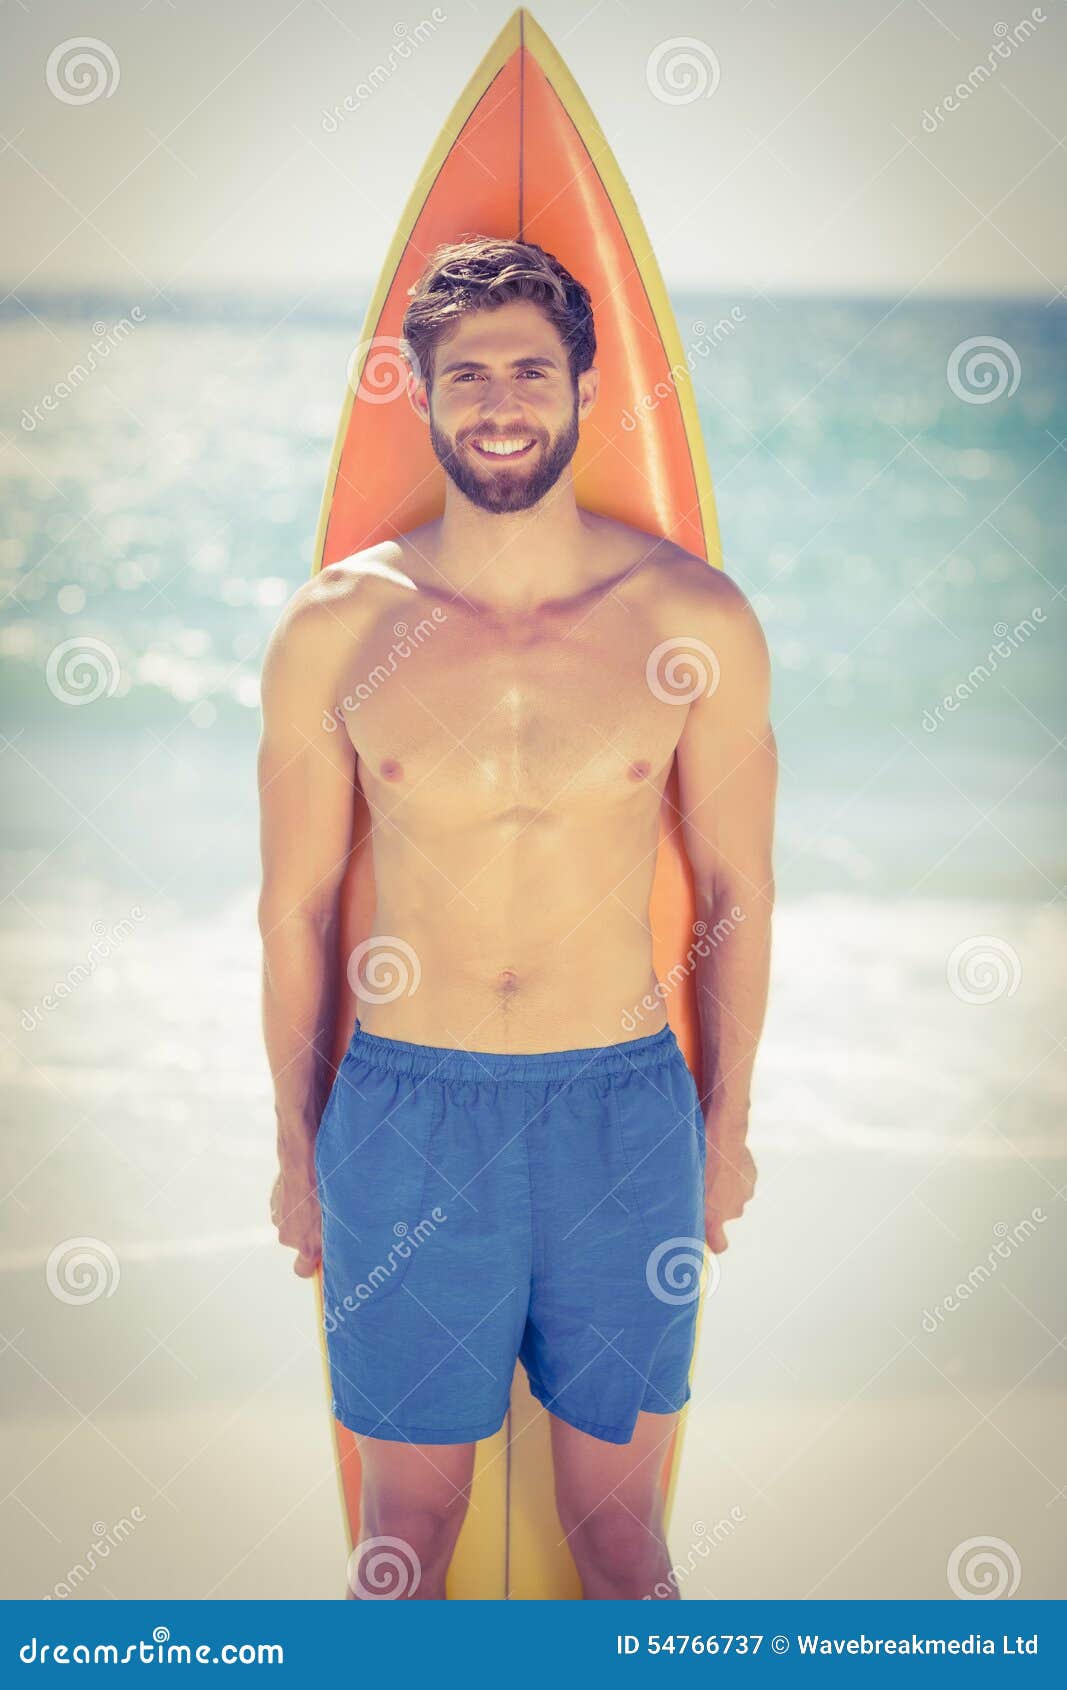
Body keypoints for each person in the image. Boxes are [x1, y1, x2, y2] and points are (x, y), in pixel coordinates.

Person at [258, 238, 776, 1600]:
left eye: (532, 371)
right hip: (405, 1112)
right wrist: (296, 1147)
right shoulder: (339, 624)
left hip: (622, 1114)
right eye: (469, 371)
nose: (501, 400)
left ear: (585, 388)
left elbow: (738, 892)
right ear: (419, 392)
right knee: (401, 1541)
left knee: (623, 1541)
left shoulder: (692, 617)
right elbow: (298, 908)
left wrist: (724, 1130)